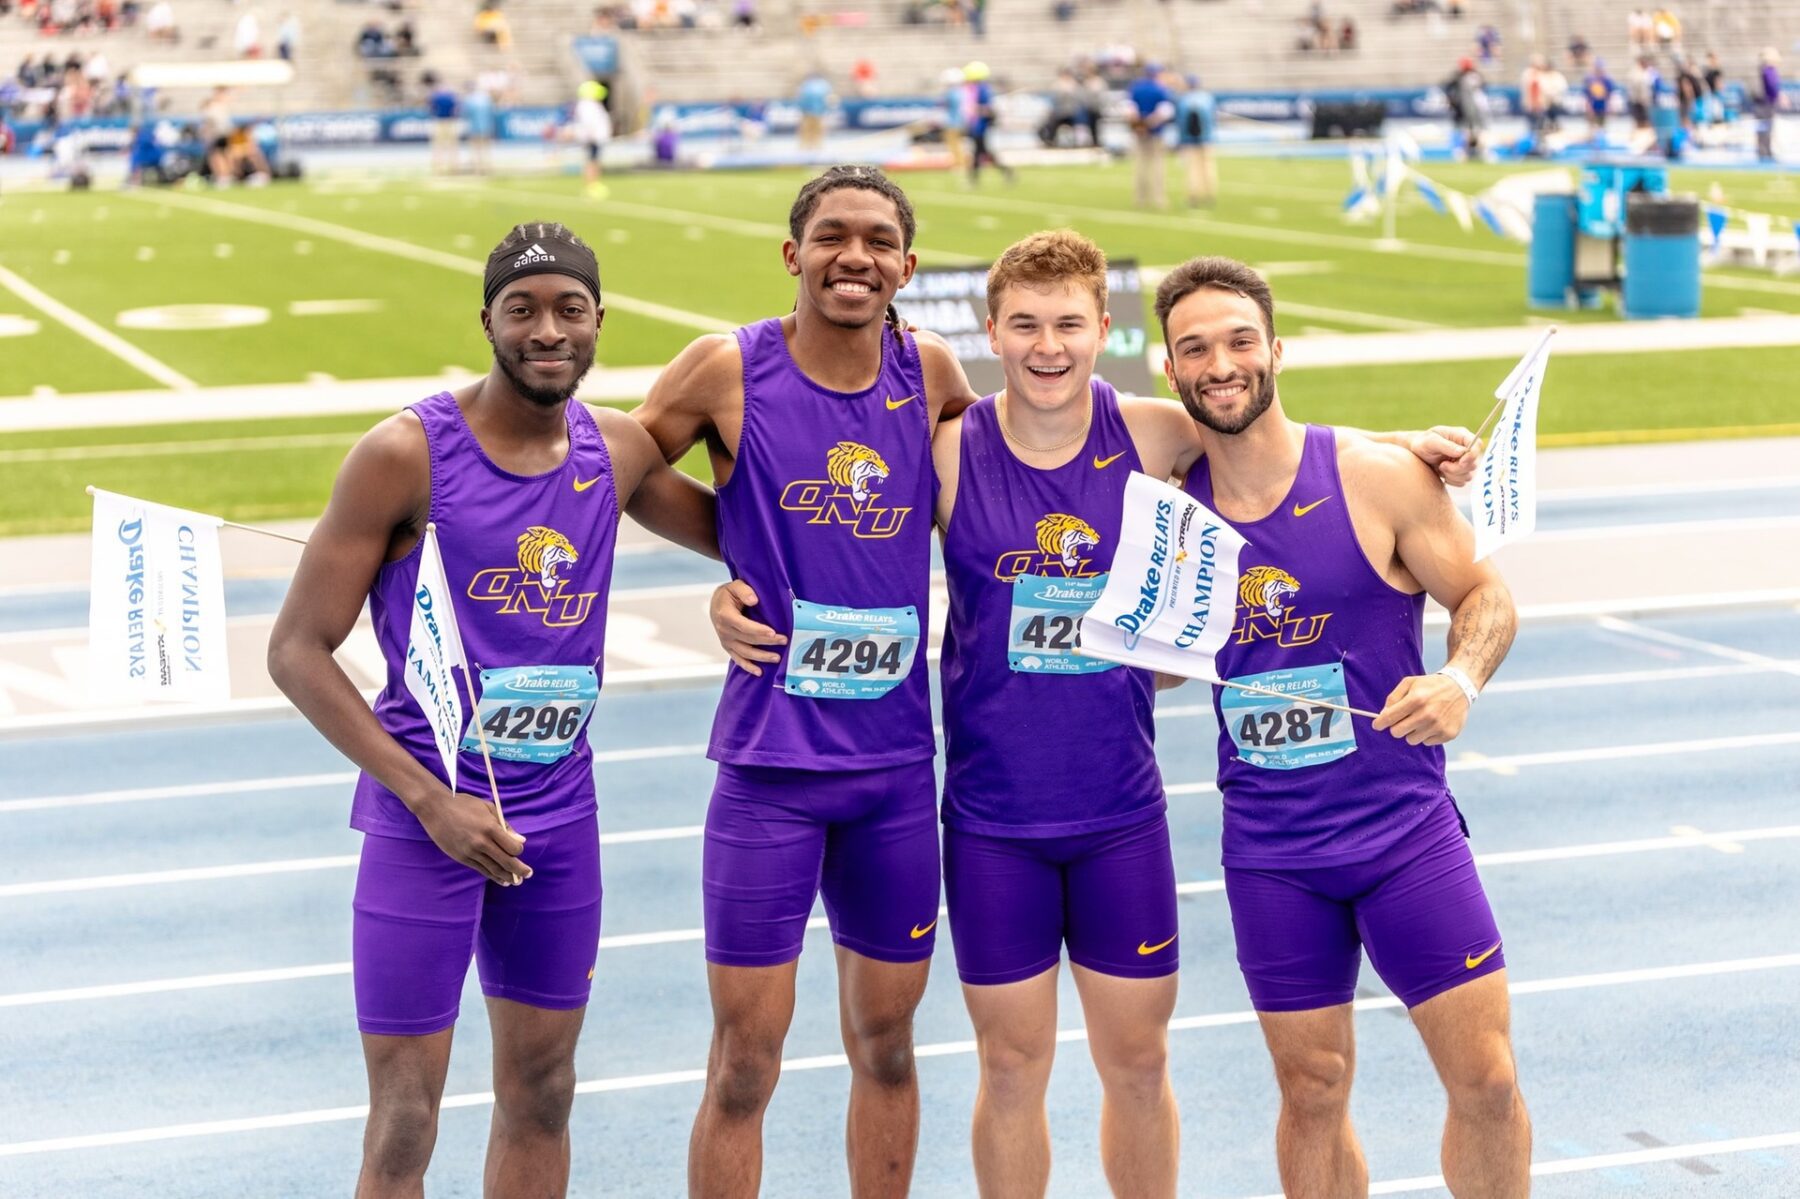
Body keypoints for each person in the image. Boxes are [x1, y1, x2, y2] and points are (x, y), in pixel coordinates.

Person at [267, 222, 718, 1198]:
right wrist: (432, 801)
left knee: (545, 1093)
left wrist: (735, 589)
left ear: (601, 321)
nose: (547, 328)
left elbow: (754, 542)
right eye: (524, 308)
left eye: (569, 308)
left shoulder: (620, 448)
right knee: (403, 1120)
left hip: (559, 819)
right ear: (488, 321)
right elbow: (296, 648)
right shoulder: (404, 455)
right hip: (425, 824)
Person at [632, 165, 982, 1199]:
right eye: (833, 236)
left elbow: (1043, 463)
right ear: (794, 254)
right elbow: (616, 468)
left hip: (893, 776)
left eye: (879, 240)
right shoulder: (725, 370)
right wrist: (727, 561)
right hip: (770, 773)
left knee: (887, 1045)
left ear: (907, 267)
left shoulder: (934, 373)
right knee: (746, 1060)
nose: (855, 256)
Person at [1155, 256, 1530, 1198]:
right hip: (1273, 851)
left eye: (1241, 340)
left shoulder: (1376, 477)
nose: (1222, 362)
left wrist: (1460, 676)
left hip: (1404, 837)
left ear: (1276, 348)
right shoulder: (1164, 501)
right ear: (1169, 370)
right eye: (1194, 347)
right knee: (1312, 1087)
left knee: (1485, 1081)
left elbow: (1485, 594)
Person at [933, 230, 1203, 1199]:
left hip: (1120, 817)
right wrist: (735, 590)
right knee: (1011, 1070)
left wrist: (1412, 449)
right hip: (993, 822)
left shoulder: (1154, 432)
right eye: (1026, 325)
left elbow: (1290, 451)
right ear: (990, 331)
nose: (1049, 346)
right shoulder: (949, 450)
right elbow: (827, 540)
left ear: (1103, 330)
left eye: (1070, 325)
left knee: (1136, 1066)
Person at [1127, 62, 1173, 209]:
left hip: (1139, 133)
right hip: (1155, 133)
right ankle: (1159, 198)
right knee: (1157, 166)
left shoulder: (1135, 88)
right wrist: (1150, 123)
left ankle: (1139, 198)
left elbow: (1129, 110)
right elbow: (1165, 112)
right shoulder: (1160, 90)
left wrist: (1140, 125)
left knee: (1140, 166)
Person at [962, 60, 1013, 184]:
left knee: (979, 152)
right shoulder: (974, 88)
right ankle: (1005, 172)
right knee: (981, 152)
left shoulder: (983, 89)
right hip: (975, 126)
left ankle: (974, 180)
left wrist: (975, 109)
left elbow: (988, 109)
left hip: (981, 127)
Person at [1173, 73, 1217, 207]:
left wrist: (1180, 141)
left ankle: (1194, 196)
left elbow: (1180, 122)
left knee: (1192, 170)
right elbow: (1212, 119)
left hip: (1189, 139)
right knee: (1208, 167)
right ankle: (1210, 194)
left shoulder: (1183, 100)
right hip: (1207, 138)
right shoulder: (1207, 98)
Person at [573, 79, 611, 199]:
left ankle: (594, 185)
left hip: (596, 138)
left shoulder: (590, 105)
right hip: (592, 139)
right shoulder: (587, 105)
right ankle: (591, 186)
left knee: (595, 162)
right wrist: (592, 135)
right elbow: (589, 122)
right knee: (592, 162)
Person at [795, 69, 832, 153]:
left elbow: (800, 99)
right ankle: (814, 147)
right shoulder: (822, 85)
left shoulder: (807, 85)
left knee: (809, 131)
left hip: (810, 112)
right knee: (814, 131)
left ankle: (807, 148)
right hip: (815, 112)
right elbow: (828, 99)